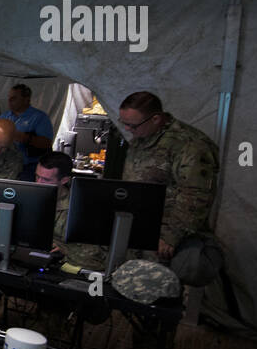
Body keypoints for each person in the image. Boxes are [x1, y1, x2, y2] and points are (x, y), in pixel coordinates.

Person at [117, 91, 220, 274]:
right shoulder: (142, 138)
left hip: (162, 241)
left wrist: (171, 238)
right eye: (124, 123)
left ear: (156, 119)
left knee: (155, 292)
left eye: (132, 125)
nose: (127, 129)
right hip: (138, 231)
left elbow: (196, 196)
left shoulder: (190, 144)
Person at [35, 151, 106, 272]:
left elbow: (97, 260)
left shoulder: (80, 211)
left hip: (64, 269)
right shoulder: (31, 198)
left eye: (46, 179)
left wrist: (64, 251)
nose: (38, 183)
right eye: (37, 176)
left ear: (64, 180)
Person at [0, 84, 54, 181]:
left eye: (14, 98)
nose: (9, 101)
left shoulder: (39, 117)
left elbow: (46, 143)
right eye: (9, 98)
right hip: (6, 164)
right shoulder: (5, 116)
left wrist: (24, 137)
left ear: (26, 99)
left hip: (28, 167)